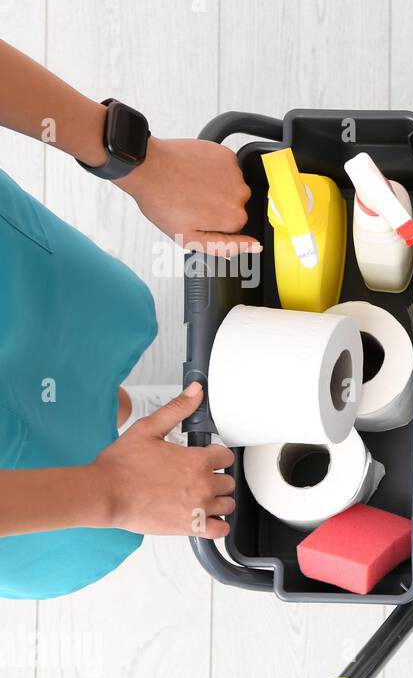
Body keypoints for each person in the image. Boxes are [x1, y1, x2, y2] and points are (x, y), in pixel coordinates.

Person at [0, 39, 256, 599]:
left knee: (98, 326)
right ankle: (94, 421)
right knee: (52, 450)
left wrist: (132, 156)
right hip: (21, 499)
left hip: (10, 282)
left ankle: (103, 401)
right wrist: (113, 490)